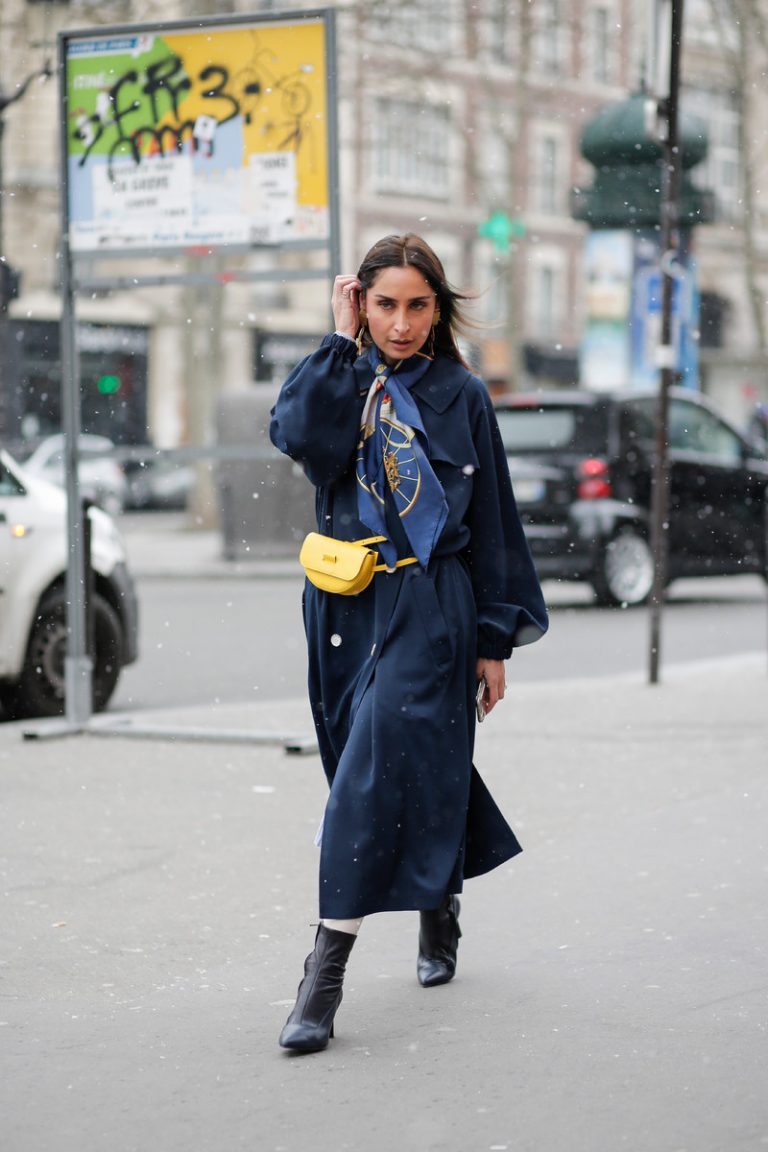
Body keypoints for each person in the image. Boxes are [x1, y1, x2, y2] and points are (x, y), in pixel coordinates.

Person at [269, 233, 548, 1054]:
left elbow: (493, 521)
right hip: (345, 603)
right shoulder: (341, 379)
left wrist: (494, 639)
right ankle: (441, 894)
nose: (400, 324)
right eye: (383, 304)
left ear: (438, 308)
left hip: (433, 602)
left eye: (416, 306)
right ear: (362, 304)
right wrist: (336, 335)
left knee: (371, 767)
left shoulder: (462, 392)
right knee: (389, 755)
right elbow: (295, 436)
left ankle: (322, 977)